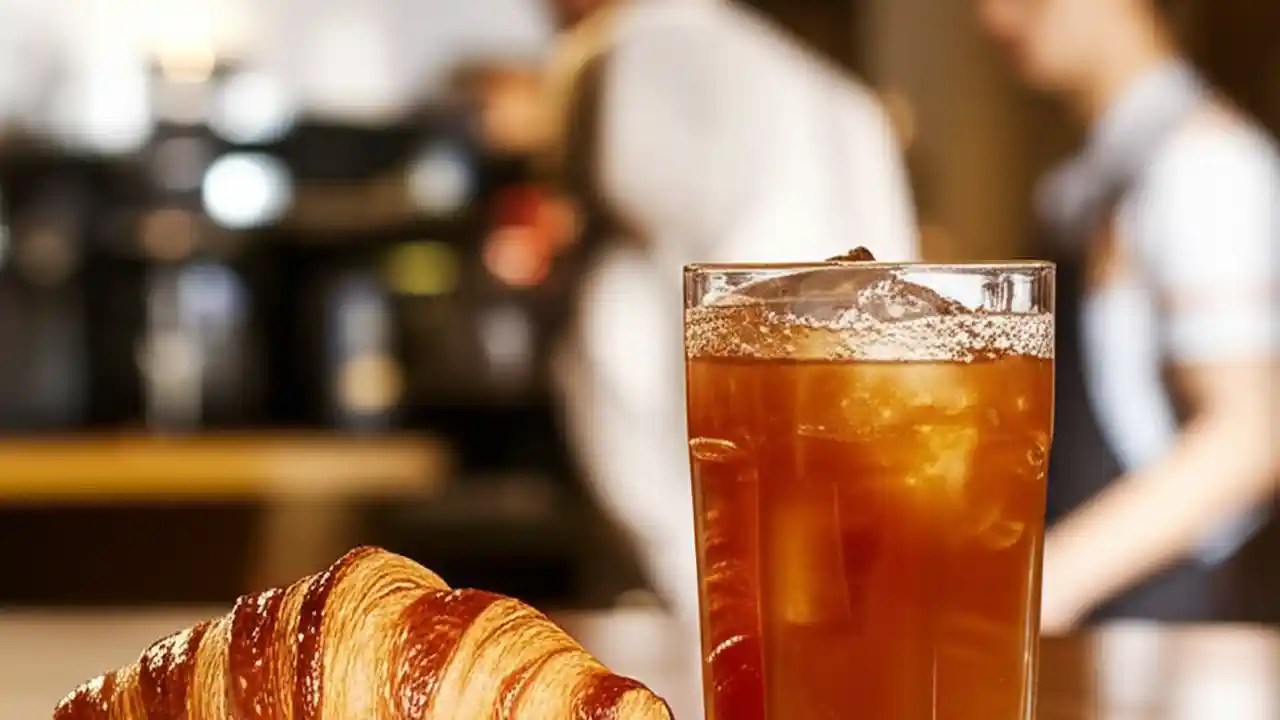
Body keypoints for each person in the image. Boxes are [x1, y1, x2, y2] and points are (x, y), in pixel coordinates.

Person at [542, 0, 918, 624]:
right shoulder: (819, 85)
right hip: (856, 439)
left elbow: (636, 290)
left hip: (723, 459)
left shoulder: (645, 49)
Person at [976, 0, 1279, 630]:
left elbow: (1251, 436)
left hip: (1172, 631)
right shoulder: (1086, 181)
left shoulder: (1206, 167)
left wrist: (1043, 583)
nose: (995, 20)